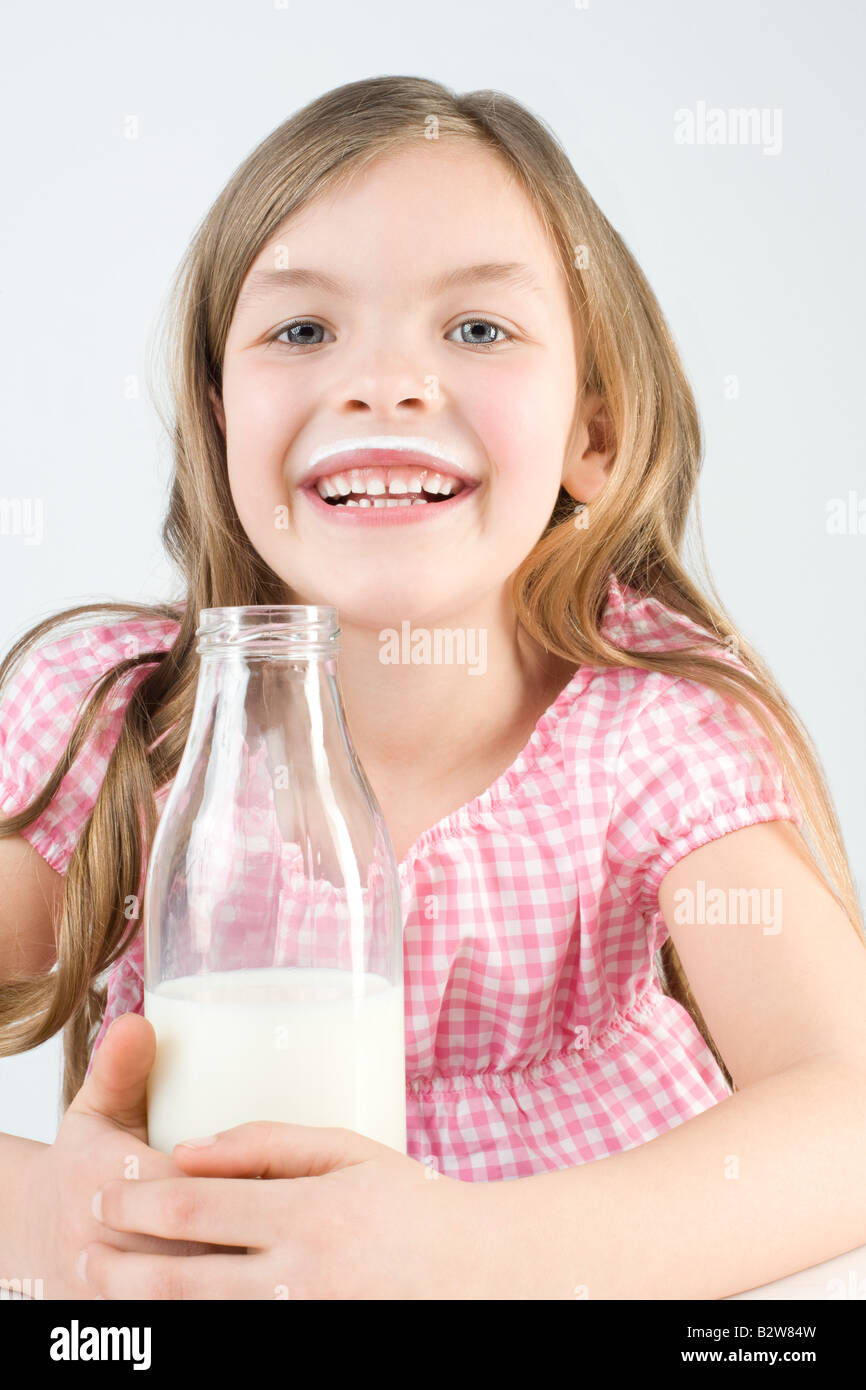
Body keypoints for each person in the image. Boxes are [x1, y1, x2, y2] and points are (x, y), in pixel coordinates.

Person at [2, 75, 865, 1301]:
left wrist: (461, 1257)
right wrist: (41, 1211)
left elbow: (848, 1115)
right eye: (303, 331)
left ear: (593, 433)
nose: (385, 385)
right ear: (219, 412)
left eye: (475, 328)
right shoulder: (124, 725)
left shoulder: (644, 735)